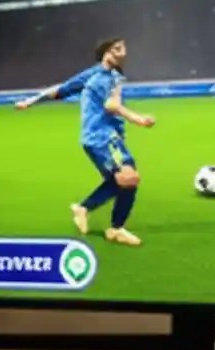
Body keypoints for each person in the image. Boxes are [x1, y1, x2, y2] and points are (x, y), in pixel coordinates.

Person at [15, 38, 154, 245]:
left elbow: (60, 90)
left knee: (122, 181)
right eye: (118, 48)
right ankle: (116, 229)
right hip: (101, 137)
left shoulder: (108, 75)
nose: (123, 53)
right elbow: (110, 105)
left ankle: (84, 209)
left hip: (108, 136)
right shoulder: (100, 77)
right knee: (128, 177)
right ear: (107, 52)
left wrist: (31, 101)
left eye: (124, 49)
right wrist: (139, 119)